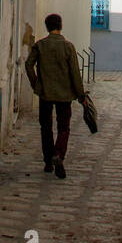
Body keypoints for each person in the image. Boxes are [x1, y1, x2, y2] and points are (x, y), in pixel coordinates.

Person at [24, 13, 86, 179]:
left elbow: (28, 65)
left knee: (46, 127)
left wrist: (36, 84)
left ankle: (47, 162)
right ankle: (58, 154)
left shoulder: (40, 45)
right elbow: (75, 73)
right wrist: (81, 94)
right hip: (64, 95)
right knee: (63, 127)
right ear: (61, 26)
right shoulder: (68, 47)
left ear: (47, 27)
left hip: (45, 94)